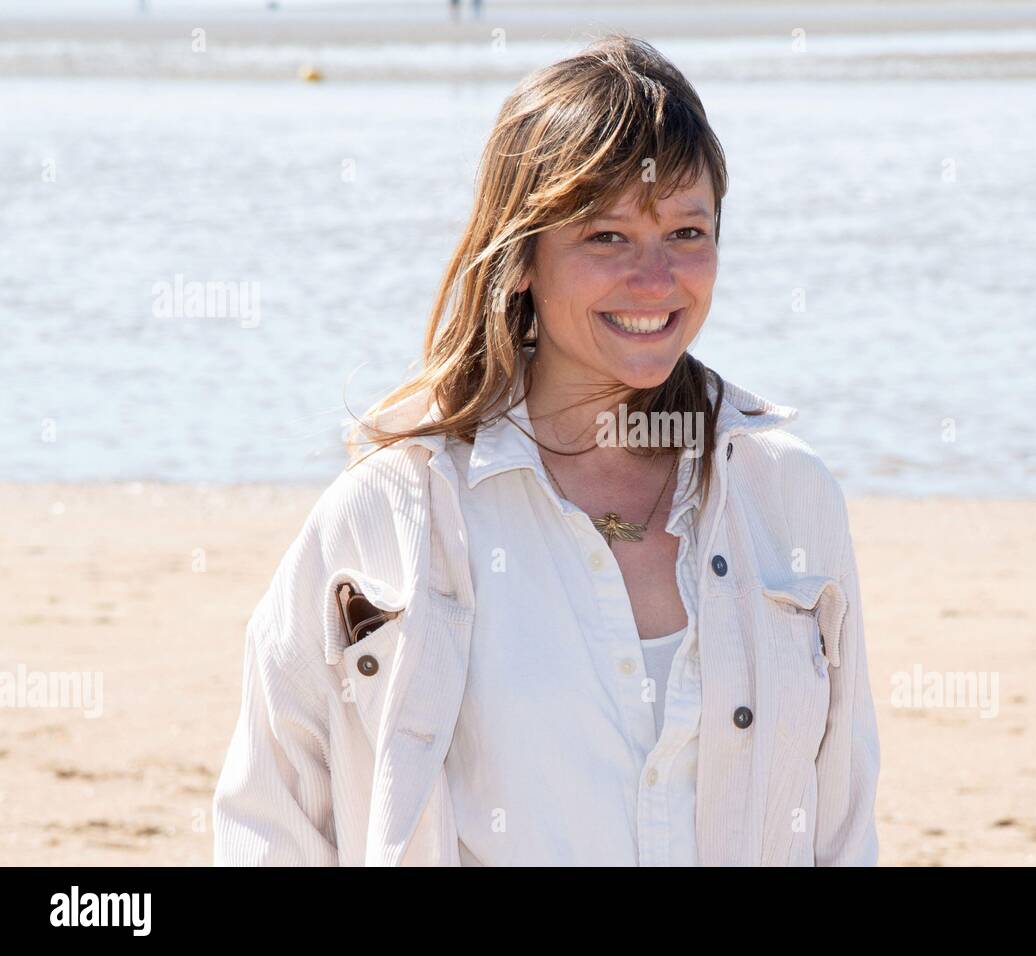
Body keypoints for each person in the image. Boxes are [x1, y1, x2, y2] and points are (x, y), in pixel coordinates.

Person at [212, 33, 880, 866]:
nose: (656, 278)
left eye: (686, 231)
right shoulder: (395, 511)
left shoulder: (790, 498)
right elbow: (269, 820)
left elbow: (844, 826)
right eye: (606, 237)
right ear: (522, 256)